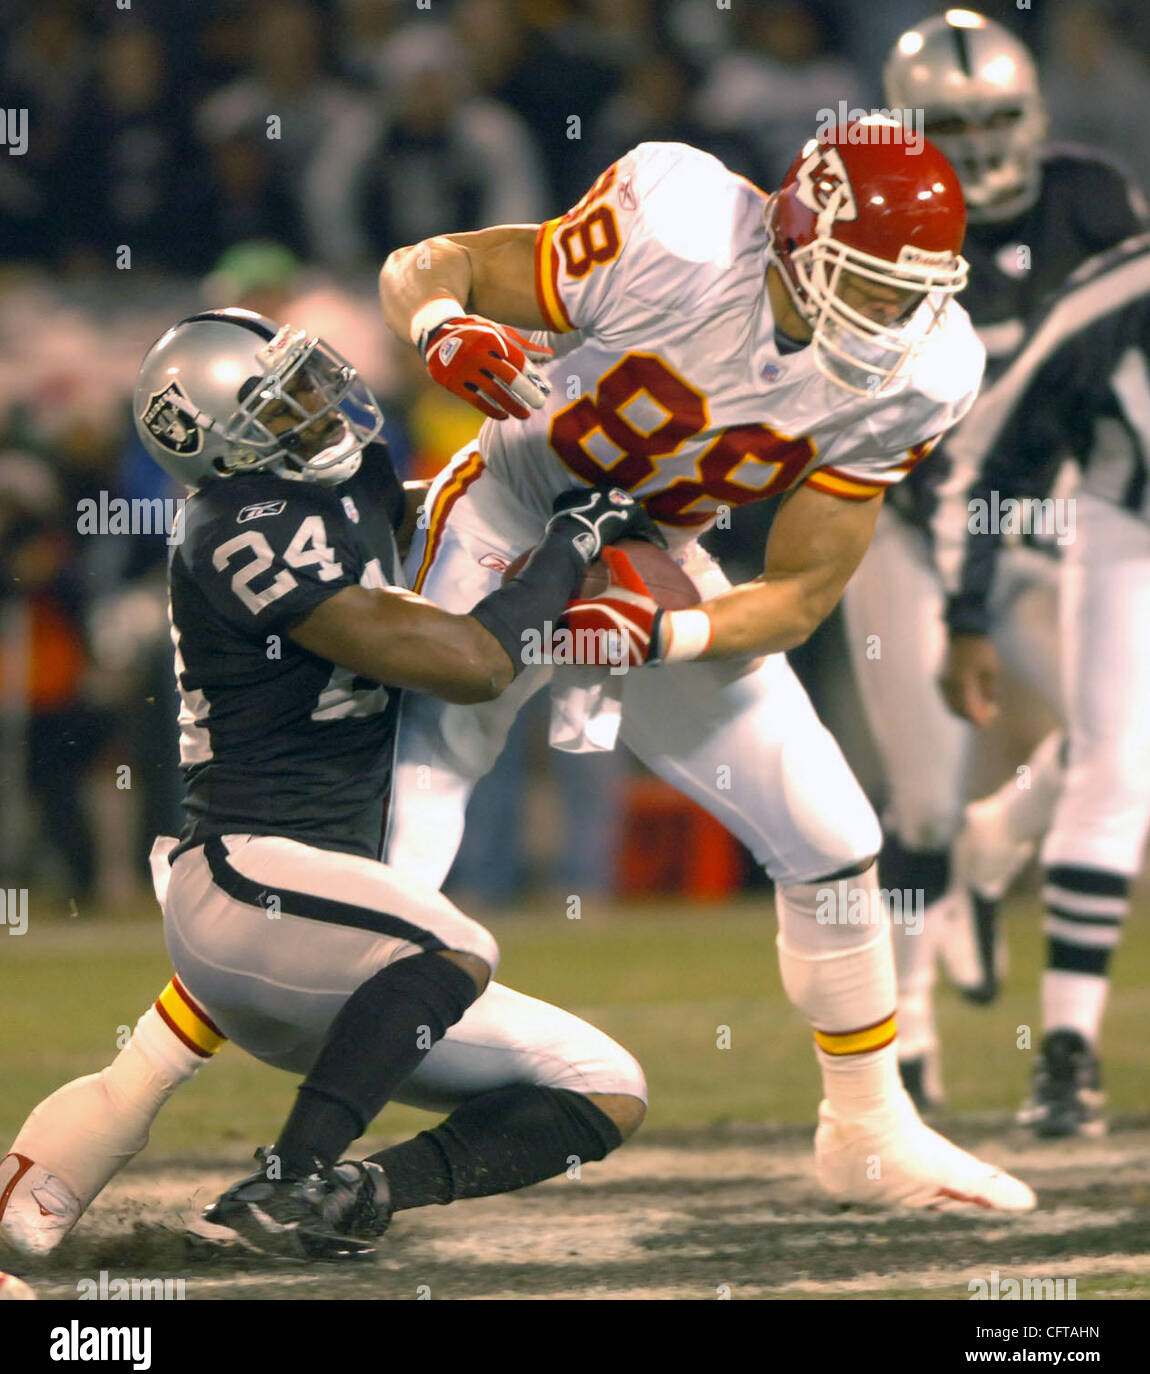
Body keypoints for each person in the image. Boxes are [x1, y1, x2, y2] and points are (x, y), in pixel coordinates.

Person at [376, 118, 1034, 1212]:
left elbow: (805, 590)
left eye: (911, 291)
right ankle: (233, 1109)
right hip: (516, 513)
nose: (893, 316)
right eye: (868, 283)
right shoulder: (678, 227)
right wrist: (443, 325)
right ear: (796, 239)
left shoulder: (924, 371)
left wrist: (666, 629)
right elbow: (434, 260)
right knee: (401, 852)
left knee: (830, 832)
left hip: (652, 555)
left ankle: (868, 1132)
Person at [1, 307, 653, 1260]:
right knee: (453, 941)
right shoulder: (238, 529)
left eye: (309, 379)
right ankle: (283, 1181)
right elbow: (469, 661)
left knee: (607, 1083)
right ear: (224, 443)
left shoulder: (351, 482)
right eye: (283, 400)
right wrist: (572, 545)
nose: (319, 405)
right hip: (247, 872)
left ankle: (350, 1193)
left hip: (324, 925)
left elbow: (451, 524)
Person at [840, 9, 1148, 1108]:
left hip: (1046, 521)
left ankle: (1003, 831)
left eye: (994, 121)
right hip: (903, 518)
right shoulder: (877, 222)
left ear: (1036, 117)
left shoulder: (1093, 199)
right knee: (920, 793)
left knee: (1122, 738)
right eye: (948, 126)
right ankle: (907, 1038)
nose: (973, 149)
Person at [937, 230, 1150, 1136]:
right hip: (1125, 530)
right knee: (1118, 771)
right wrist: (968, 614)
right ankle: (1067, 1052)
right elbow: (988, 464)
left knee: (1126, 745)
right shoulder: (1104, 309)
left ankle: (1005, 825)